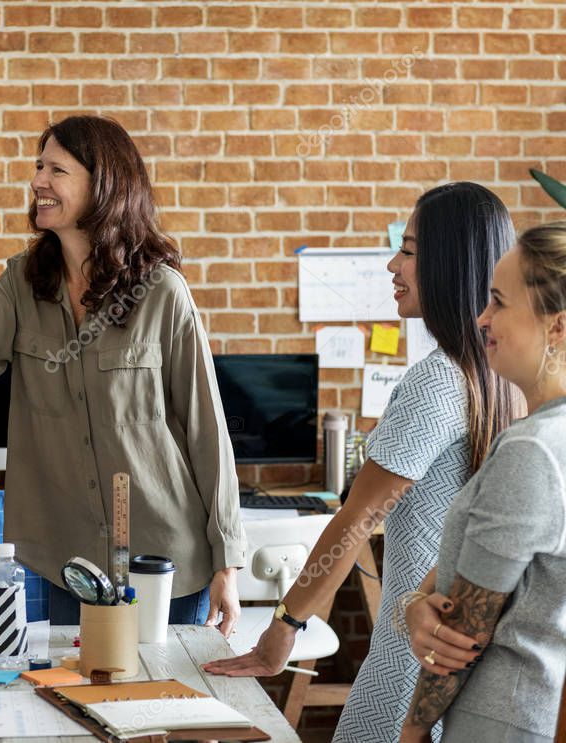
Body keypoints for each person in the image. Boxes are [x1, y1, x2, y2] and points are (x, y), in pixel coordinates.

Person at [0, 115, 246, 630]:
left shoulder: (161, 292)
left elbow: (207, 432)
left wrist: (228, 560)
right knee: (67, 696)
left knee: (159, 701)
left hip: (165, 559)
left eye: (56, 170)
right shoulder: (22, 283)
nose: (38, 181)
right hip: (63, 560)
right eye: (38, 166)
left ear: (103, 184)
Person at [202, 183, 522, 743]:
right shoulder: (501, 381)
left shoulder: (436, 381)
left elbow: (358, 519)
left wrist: (284, 627)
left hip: (408, 661)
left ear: (449, 263)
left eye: (410, 250)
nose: (392, 263)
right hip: (465, 660)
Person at [400, 222, 566, 743]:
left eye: (498, 302)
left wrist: (410, 730)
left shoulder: (531, 449)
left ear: (556, 328)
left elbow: (465, 630)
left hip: (501, 720)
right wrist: (415, 601)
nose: (482, 317)